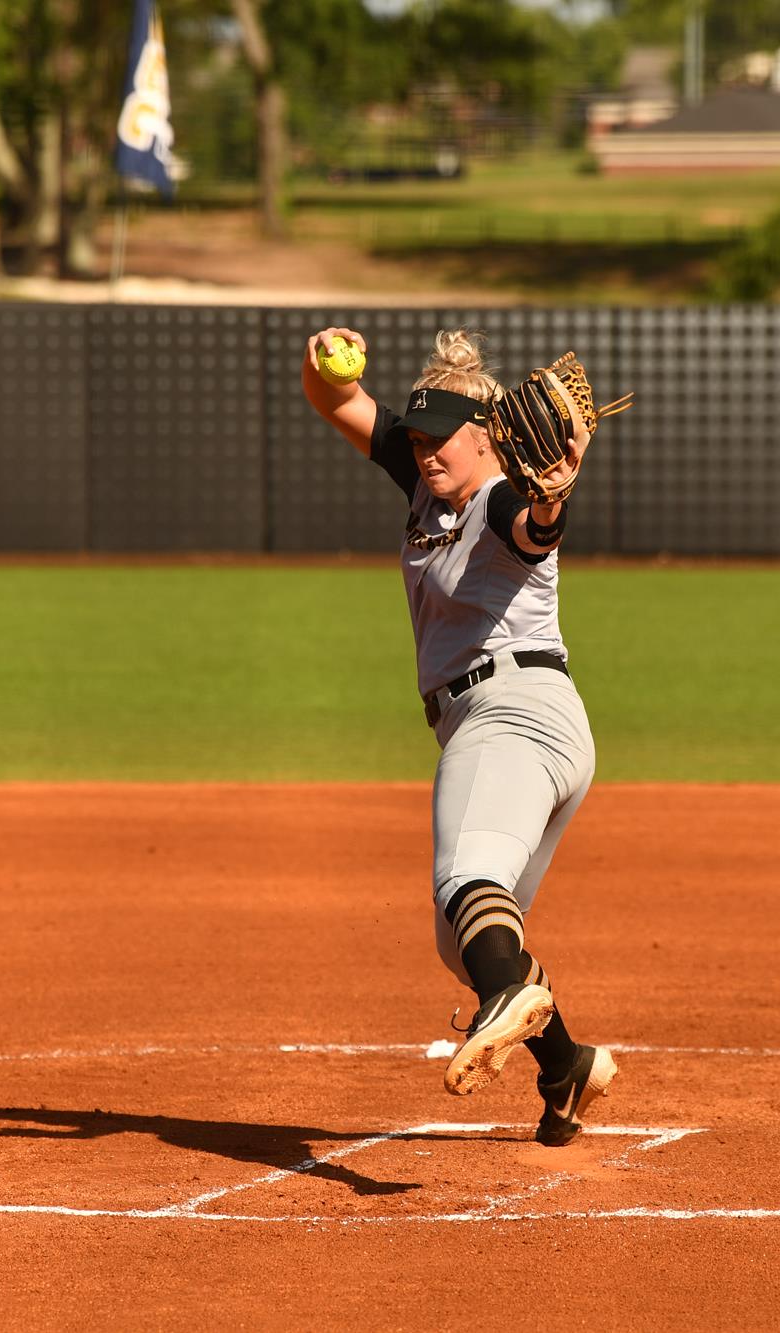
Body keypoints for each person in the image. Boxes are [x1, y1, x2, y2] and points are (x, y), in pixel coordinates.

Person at [301, 324, 617, 1147]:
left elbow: (534, 529)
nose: (424, 450)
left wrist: (552, 495)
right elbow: (340, 401)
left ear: (484, 437)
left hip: (511, 711)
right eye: (415, 438)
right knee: (466, 936)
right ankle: (566, 1066)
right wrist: (322, 362)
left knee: (465, 876)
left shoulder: (502, 492)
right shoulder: (426, 482)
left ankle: (508, 1005)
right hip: (520, 724)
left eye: (438, 438)